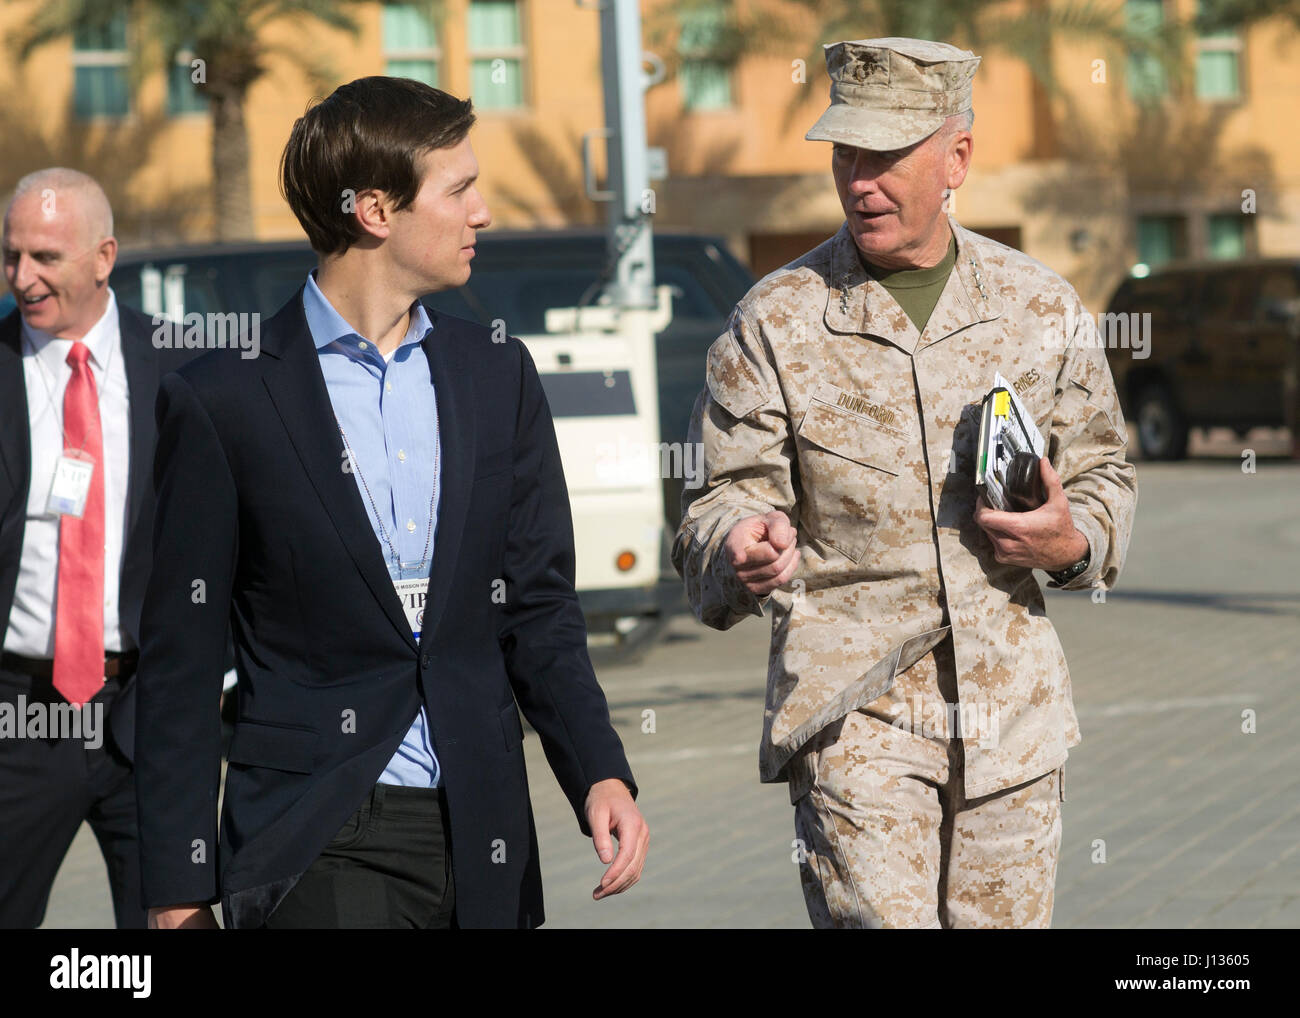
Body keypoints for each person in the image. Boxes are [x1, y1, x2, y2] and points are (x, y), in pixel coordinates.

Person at [137, 76, 648, 930]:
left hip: (484, 834)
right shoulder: (223, 396)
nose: (483, 212)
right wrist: (179, 888)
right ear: (376, 210)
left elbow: (540, 605)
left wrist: (599, 768)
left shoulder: (496, 374)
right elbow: (181, 662)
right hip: (317, 839)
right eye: (461, 189)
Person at [673, 37, 1137, 928]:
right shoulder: (775, 320)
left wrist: (1074, 544)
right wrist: (739, 545)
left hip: (1013, 717)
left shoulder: (1040, 306)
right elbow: (716, 508)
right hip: (857, 711)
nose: (860, 182)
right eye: (847, 155)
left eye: (886, 157)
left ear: (957, 156)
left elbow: (1105, 474)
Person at [0, 168, 180, 928]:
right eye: (11, 257)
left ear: (104, 256)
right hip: (18, 716)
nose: (22, 277)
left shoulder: (177, 370)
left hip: (147, 714)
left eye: (45, 256)